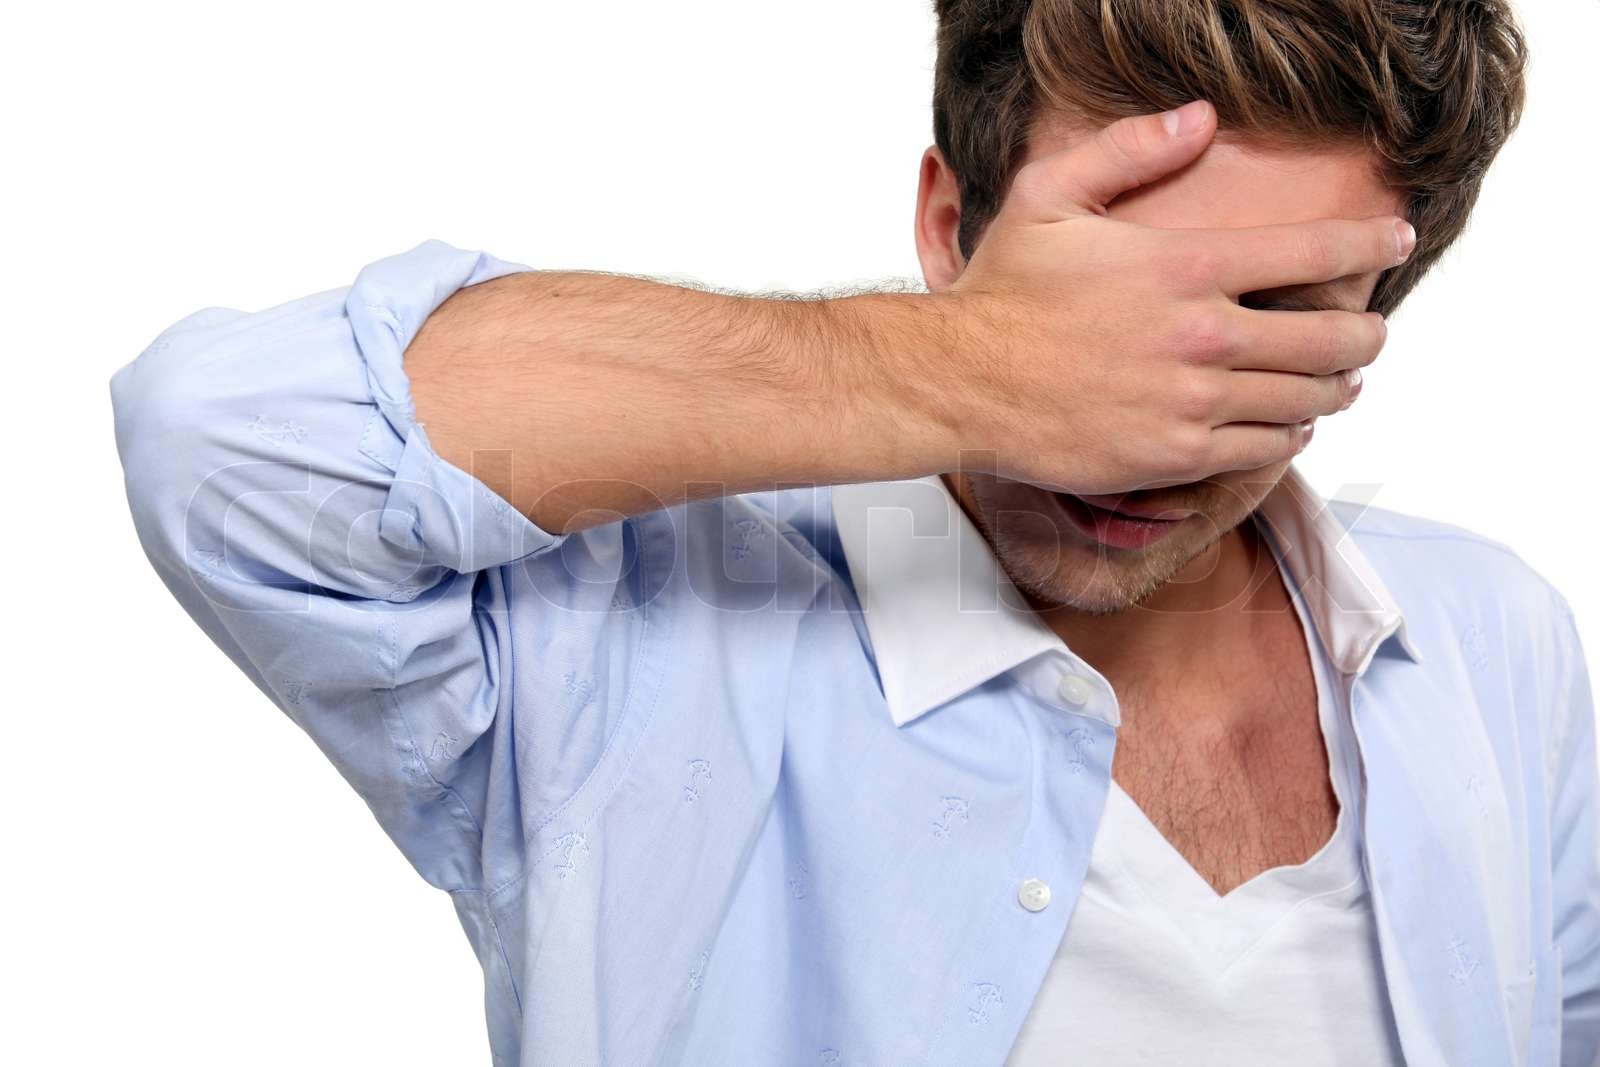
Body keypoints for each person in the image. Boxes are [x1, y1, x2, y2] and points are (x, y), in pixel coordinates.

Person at [109, 1, 1597, 1064]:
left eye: (1264, 324)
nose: (1149, 420)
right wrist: (966, 370)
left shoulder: (1493, 641)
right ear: (950, 227)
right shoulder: (628, 642)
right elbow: (222, 444)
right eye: (1109, 302)